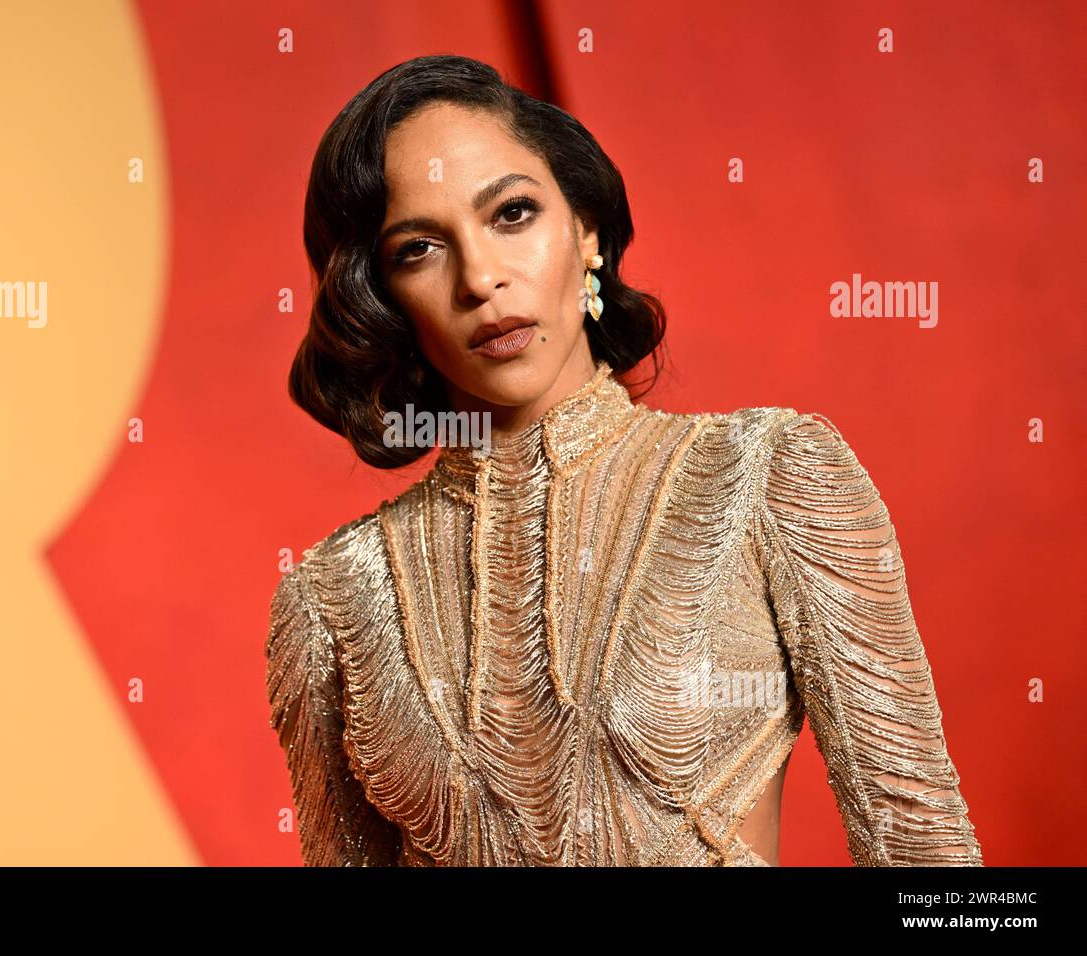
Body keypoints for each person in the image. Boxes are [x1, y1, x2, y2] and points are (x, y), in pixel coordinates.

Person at [264, 54, 983, 867]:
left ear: (587, 230)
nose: (483, 279)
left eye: (512, 214)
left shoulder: (762, 477)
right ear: (382, 297)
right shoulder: (333, 600)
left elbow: (924, 851)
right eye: (419, 249)